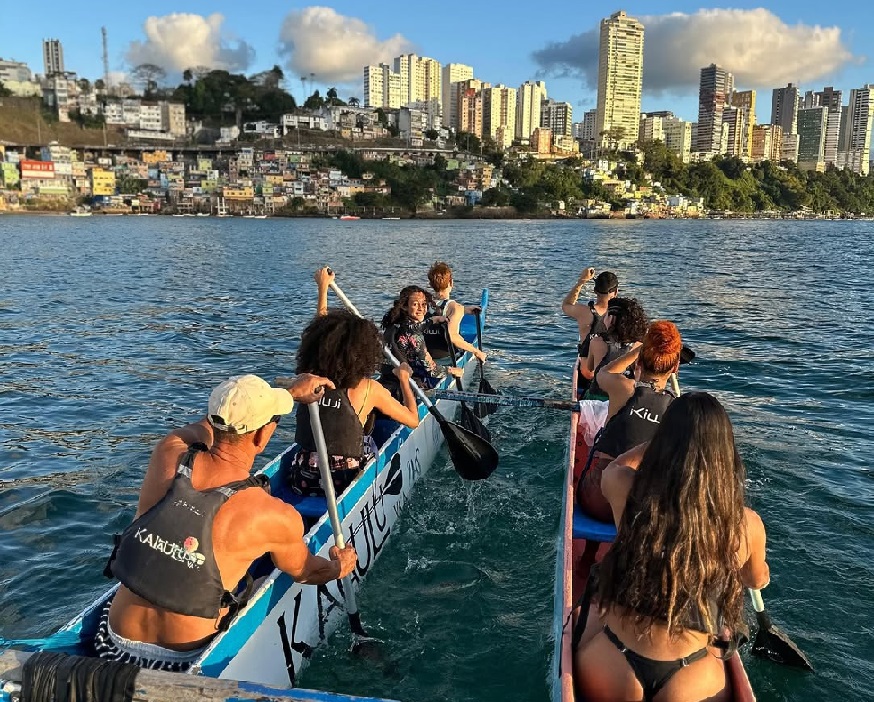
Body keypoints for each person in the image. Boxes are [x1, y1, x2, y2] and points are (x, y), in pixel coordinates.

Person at [99, 373, 358, 672]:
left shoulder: (170, 450)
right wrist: (339, 566)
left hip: (112, 640)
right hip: (183, 662)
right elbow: (306, 571)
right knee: (263, 578)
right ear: (262, 436)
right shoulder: (274, 515)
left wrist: (285, 395)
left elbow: (207, 426)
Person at [574, 392, 770, 701]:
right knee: (717, 639)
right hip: (691, 679)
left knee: (581, 614)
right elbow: (756, 580)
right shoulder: (746, 524)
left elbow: (613, 469)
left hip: (610, 663)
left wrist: (657, 445)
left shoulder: (626, 488)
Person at [289, 269, 420, 497]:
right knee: (373, 435)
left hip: (302, 477)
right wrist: (405, 381)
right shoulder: (370, 388)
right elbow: (413, 420)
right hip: (343, 481)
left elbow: (322, 328)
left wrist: (323, 288)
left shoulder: (308, 378)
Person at [577, 321, 681, 522]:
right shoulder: (677, 408)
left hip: (595, 499)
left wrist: (639, 349)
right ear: (675, 367)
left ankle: (590, 550)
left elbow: (602, 374)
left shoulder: (622, 388)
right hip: (638, 508)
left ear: (638, 362)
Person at [380, 285, 463, 395]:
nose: (421, 308)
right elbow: (432, 371)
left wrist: (433, 320)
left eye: (424, 304)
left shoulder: (395, 324)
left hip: (386, 379)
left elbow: (416, 327)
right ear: (405, 306)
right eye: (415, 304)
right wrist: (452, 371)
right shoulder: (415, 336)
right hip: (403, 388)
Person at [562, 269, 619, 393]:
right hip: (612, 376)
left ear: (595, 291)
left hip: (587, 374)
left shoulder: (584, 312)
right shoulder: (621, 315)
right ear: (615, 292)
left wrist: (581, 281)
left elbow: (566, 305)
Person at [584, 297, 648, 399]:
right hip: (625, 399)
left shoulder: (596, 342)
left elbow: (589, 368)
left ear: (611, 319)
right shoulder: (639, 346)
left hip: (597, 398)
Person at [425, 261, 486, 364]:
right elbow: (452, 337)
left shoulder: (423, 304)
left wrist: (464, 310)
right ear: (451, 283)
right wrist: (476, 351)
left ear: (431, 284)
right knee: (460, 339)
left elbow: (439, 309)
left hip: (426, 357)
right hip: (447, 359)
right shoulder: (454, 308)